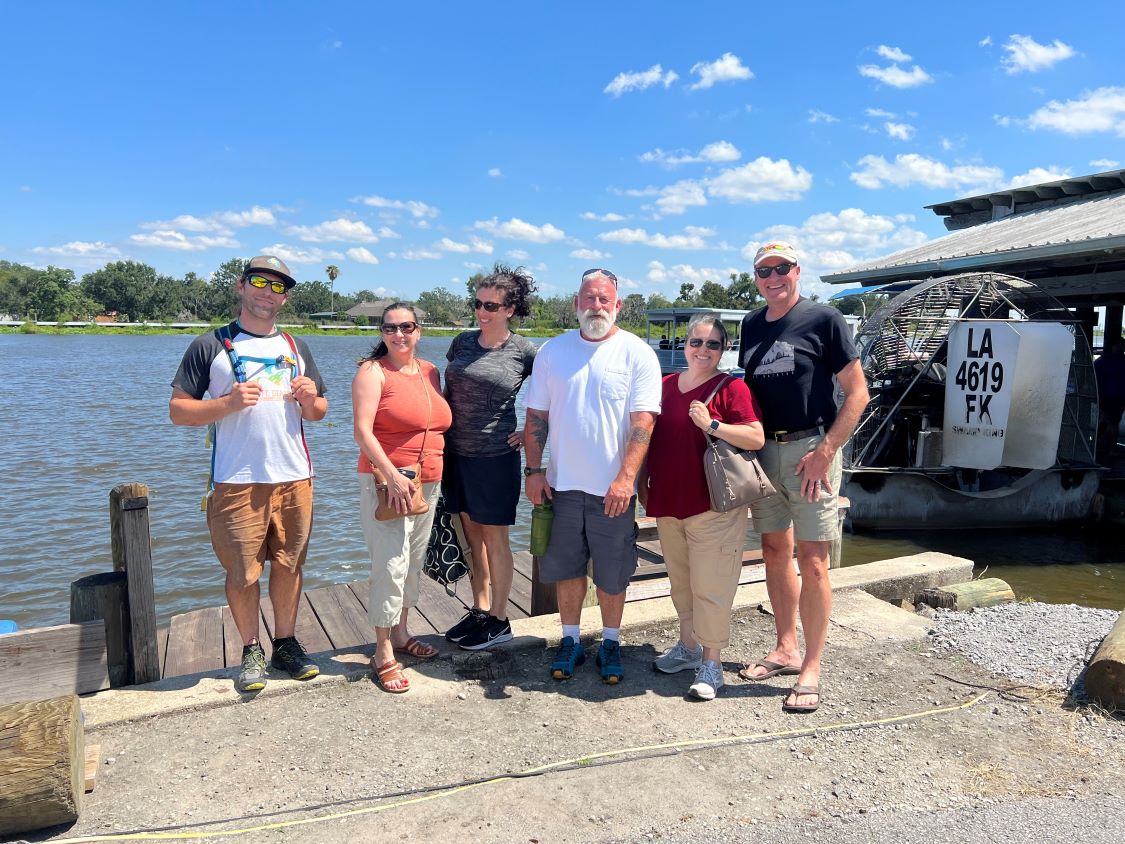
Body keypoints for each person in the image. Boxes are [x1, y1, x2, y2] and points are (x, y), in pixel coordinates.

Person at [169, 255, 328, 693]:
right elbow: (178, 411)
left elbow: (318, 411)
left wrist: (310, 398)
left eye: (278, 287)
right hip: (236, 480)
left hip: (295, 478)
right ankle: (251, 648)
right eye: (259, 282)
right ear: (241, 286)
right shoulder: (210, 345)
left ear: (285, 298)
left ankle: (286, 644)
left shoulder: (296, 346)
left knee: (290, 565)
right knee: (242, 573)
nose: (267, 293)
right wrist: (227, 403)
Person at [737, 241, 869, 713]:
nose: (773, 277)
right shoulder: (751, 324)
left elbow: (858, 393)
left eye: (782, 268)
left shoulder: (824, 319)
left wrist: (825, 451)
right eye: (764, 271)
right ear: (756, 278)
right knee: (774, 550)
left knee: (813, 560)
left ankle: (812, 665)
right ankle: (785, 647)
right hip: (762, 451)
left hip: (810, 451)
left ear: (798, 271)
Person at [524, 268, 662, 684]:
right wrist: (534, 470)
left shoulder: (637, 353)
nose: (596, 306)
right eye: (589, 298)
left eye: (604, 299)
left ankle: (611, 641)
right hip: (561, 485)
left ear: (617, 305)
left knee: (612, 573)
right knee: (566, 569)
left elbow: (643, 423)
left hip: (612, 491)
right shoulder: (552, 351)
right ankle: (570, 639)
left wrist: (625, 478)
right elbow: (536, 416)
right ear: (576, 304)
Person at [640, 314, 764, 700]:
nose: (703, 350)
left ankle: (712, 664)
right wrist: (641, 483)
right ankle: (688, 647)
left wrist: (712, 425)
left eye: (713, 344)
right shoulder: (663, 386)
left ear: (724, 349)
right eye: (696, 342)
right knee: (681, 584)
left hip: (714, 507)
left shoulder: (732, 388)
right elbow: (647, 437)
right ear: (684, 345)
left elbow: (756, 437)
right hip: (668, 503)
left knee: (712, 587)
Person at [353, 303, 453, 693]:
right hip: (387, 483)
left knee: (412, 561)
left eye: (406, 327)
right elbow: (362, 431)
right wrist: (393, 475)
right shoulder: (372, 372)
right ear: (381, 333)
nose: (399, 334)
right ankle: (382, 652)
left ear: (418, 330)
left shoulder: (430, 371)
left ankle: (401, 633)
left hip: (427, 481)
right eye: (390, 328)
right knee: (390, 563)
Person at [442, 265, 537, 650]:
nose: (482, 312)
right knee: (472, 536)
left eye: (491, 306)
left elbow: (554, 394)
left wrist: (528, 430)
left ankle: (499, 619)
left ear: (510, 309)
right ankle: (480, 609)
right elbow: (446, 391)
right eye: (478, 304)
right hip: (455, 454)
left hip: (495, 458)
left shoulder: (524, 352)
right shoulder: (462, 343)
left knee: (495, 538)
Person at [1094, 336, 1125, 461]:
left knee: (1106, 419)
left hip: (1106, 395)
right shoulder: (1120, 361)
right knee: (1113, 422)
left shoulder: (1102, 361)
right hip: (1116, 396)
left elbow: (1094, 376)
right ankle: (1111, 448)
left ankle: (1096, 443)